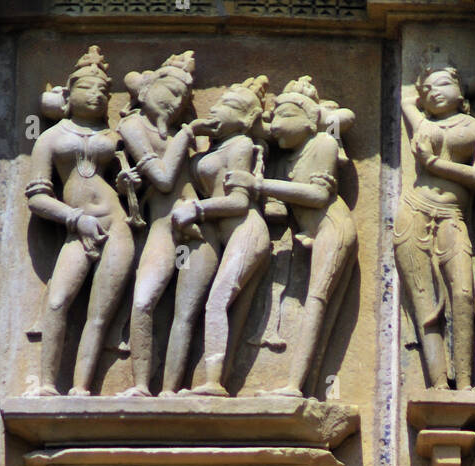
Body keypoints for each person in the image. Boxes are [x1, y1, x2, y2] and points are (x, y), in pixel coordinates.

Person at [225, 77, 357, 396]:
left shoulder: (323, 144)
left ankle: (296, 387)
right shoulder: (286, 157)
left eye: (285, 116)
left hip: (333, 227)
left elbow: (316, 195)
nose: (276, 126)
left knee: (317, 301)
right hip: (313, 232)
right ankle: (303, 385)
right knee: (313, 303)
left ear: (310, 120)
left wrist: (259, 185)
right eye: (273, 118)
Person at [26, 46, 135, 396]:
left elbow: (148, 184)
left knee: (98, 313)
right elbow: (37, 197)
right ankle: (46, 384)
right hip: (78, 227)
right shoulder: (50, 137)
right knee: (57, 301)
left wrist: (131, 184)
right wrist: (74, 218)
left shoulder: (116, 137)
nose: (98, 94)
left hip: (116, 224)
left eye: (104, 91)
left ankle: (81, 388)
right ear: (68, 94)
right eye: (88, 87)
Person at [166, 76, 271, 395]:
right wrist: (188, 132)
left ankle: (212, 383)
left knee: (216, 303)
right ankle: (185, 386)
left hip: (246, 230)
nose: (214, 107)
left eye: (226, 105)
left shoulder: (240, 144)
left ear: (246, 119)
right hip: (219, 233)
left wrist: (196, 210)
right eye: (217, 102)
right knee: (207, 309)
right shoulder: (214, 145)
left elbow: (239, 202)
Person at [394, 63, 475, 390]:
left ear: (460, 91)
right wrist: (424, 86)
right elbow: (407, 99)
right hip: (414, 212)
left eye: (443, 84)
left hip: (452, 216)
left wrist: (433, 164)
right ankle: (437, 384)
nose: (434, 92)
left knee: (463, 293)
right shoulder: (422, 123)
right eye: (428, 89)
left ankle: (464, 382)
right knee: (424, 299)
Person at [117, 51, 197, 395]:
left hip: (194, 230)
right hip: (163, 226)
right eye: (172, 91)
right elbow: (164, 180)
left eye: (184, 98)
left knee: (187, 309)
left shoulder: (180, 133)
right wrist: (186, 136)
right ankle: (140, 386)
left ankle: (171, 390)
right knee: (144, 300)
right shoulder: (132, 125)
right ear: (147, 90)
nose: (177, 102)